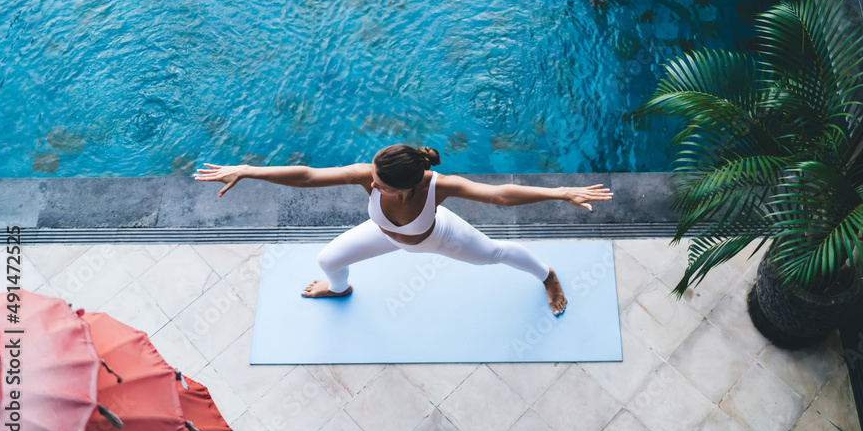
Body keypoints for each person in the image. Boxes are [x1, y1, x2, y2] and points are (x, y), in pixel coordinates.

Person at [193, 144, 613, 315]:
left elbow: (501, 195)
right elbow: (307, 175)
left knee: (495, 255)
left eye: (380, 183)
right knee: (328, 259)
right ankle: (340, 289)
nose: (371, 184)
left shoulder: (437, 187)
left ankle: (548, 275)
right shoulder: (368, 174)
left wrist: (560, 192)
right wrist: (247, 170)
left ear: (411, 185)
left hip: (438, 237)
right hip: (384, 234)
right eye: (373, 176)